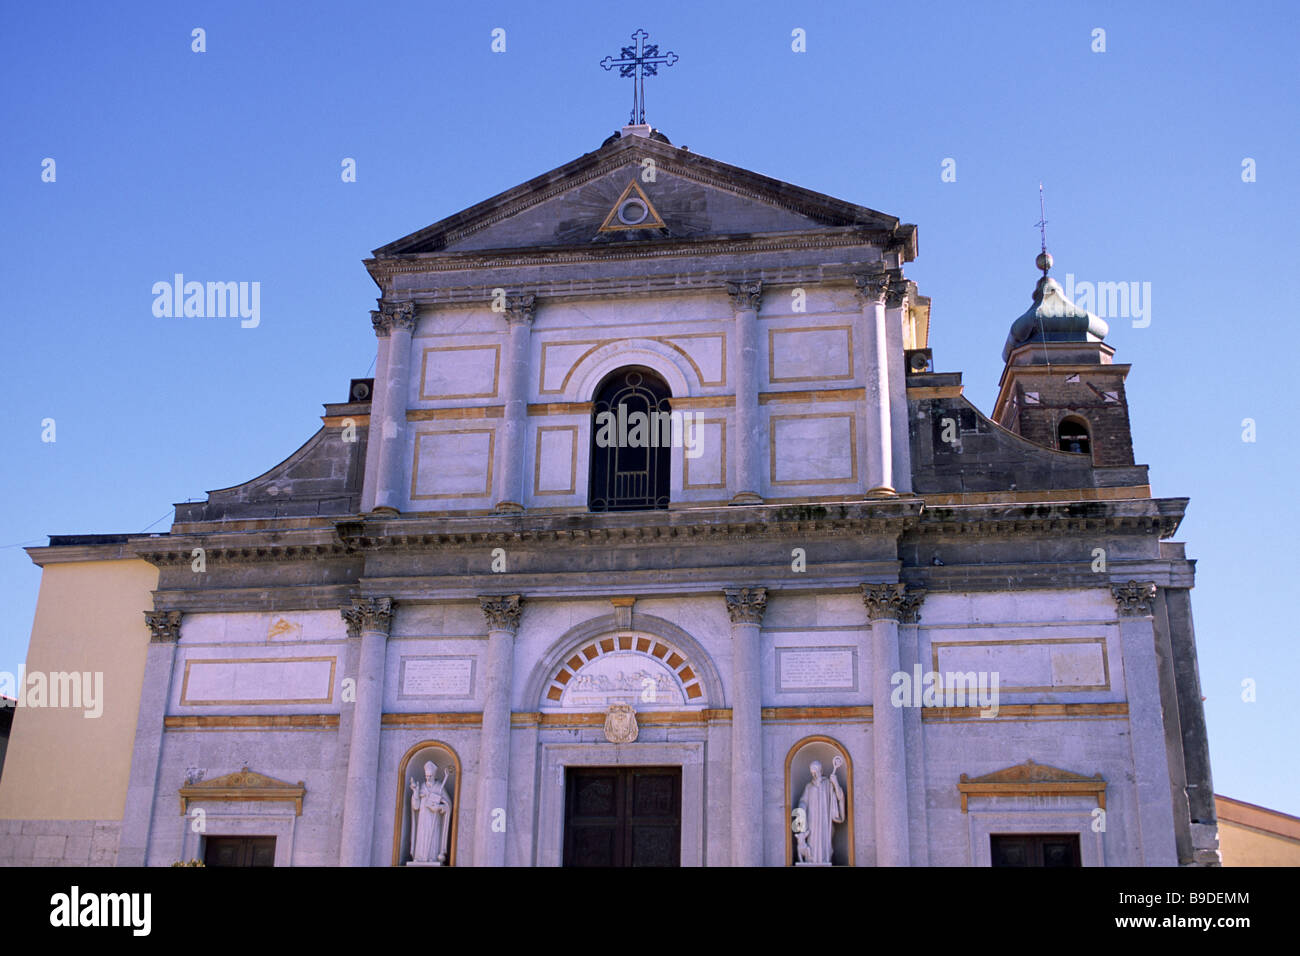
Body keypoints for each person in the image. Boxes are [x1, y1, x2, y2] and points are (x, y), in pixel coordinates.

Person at [796, 757, 844, 864]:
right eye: (812, 772)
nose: (814, 775)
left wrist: (835, 783)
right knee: (812, 841)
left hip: (825, 820)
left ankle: (825, 860)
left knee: (825, 842)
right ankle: (811, 861)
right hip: (812, 820)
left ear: (821, 771)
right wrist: (801, 807)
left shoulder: (828, 784)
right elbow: (803, 800)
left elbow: (839, 796)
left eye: (816, 772)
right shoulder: (808, 787)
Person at [409, 761, 453, 863]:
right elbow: (416, 807)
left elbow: (448, 805)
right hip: (422, 818)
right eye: (426, 776)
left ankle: (432, 857)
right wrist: (415, 792)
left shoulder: (439, 787)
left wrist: (439, 807)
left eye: (430, 776)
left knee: (433, 837)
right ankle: (419, 857)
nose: (428, 778)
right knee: (421, 835)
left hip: (434, 818)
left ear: (434, 775)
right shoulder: (421, 788)